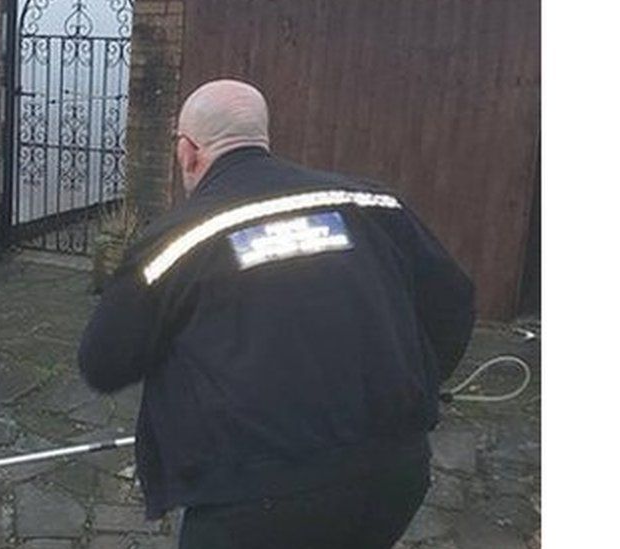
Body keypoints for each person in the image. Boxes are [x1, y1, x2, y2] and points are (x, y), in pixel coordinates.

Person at [78, 79, 475, 549]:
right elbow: (454, 304)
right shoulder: (374, 206)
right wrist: (419, 381)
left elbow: (103, 363)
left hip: (254, 500)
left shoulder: (177, 243)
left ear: (187, 151)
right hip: (393, 475)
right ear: (261, 137)